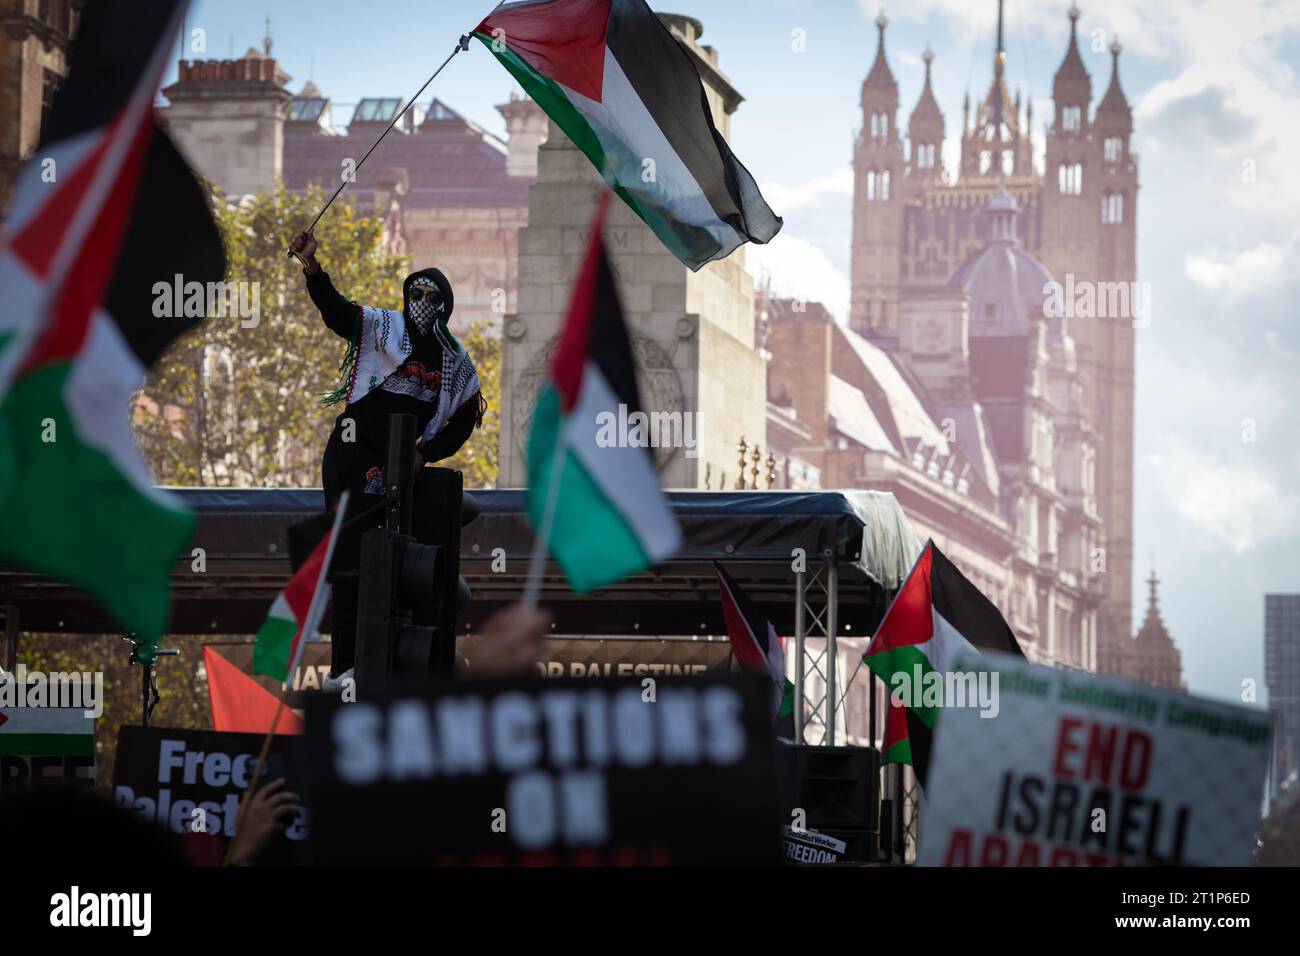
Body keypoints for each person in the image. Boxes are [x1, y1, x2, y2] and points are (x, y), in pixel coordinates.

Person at [289, 229, 485, 685]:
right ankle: (344, 671)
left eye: (431, 294)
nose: (420, 299)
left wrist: (425, 456)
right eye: (414, 290)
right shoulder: (383, 327)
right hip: (352, 454)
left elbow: (461, 423)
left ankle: (393, 671)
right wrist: (312, 267)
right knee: (352, 562)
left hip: (401, 469)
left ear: (446, 304)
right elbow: (337, 312)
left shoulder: (455, 362)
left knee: (400, 566)